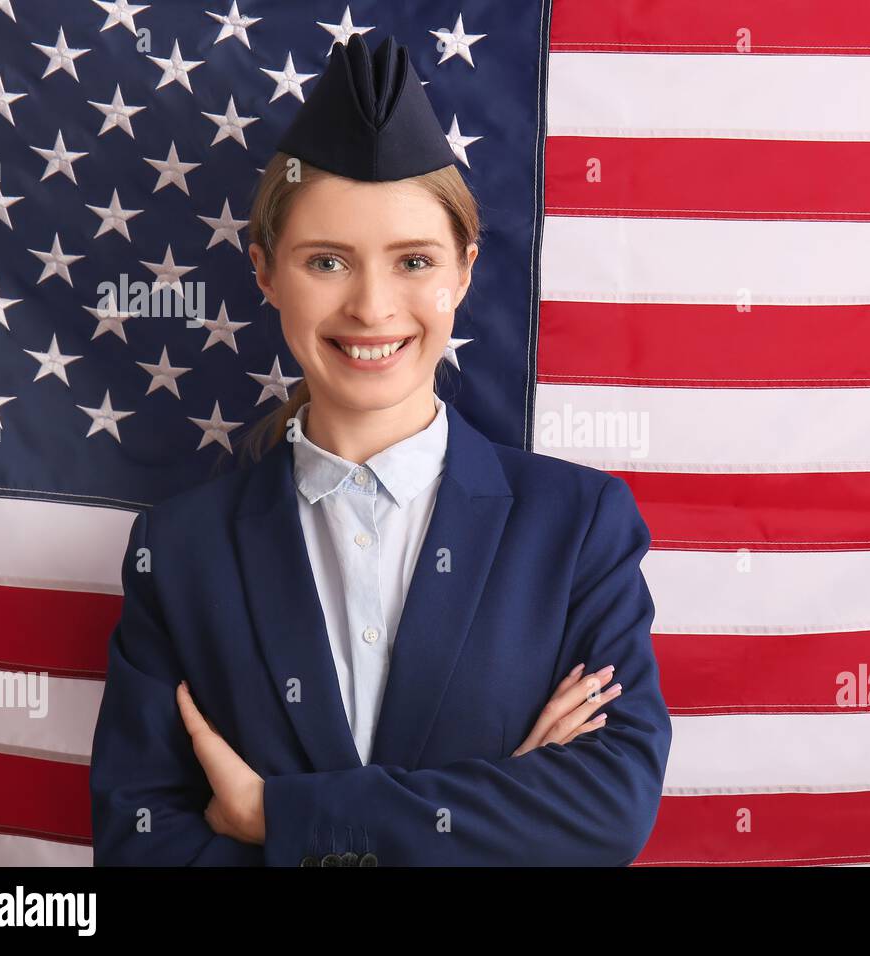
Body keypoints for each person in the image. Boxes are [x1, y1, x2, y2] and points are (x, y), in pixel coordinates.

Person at [88, 34, 672, 866]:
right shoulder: (180, 552)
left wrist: (277, 817)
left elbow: (609, 810)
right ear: (264, 271)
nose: (371, 307)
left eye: (413, 262)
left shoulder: (577, 528)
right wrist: (498, 807)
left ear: (464, 273)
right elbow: (141, 843)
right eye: (326, 261)